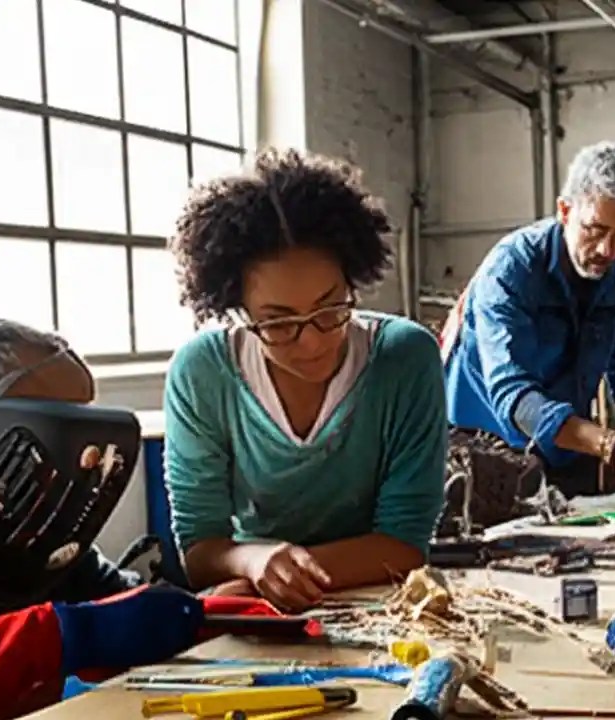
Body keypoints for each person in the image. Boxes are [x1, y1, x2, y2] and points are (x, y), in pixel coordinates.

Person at [0, 317, 275, 719]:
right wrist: (64, 636)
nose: (85, 461)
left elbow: (125, 613)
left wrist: (203, 610)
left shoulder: (37, 546)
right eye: (52, 434)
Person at [164, 148, 447, 611]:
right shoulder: (202, 374)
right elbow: (200, 551)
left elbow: (404, 543)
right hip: (255, 609)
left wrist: (273, 574)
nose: (312, 343)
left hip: (378, 605)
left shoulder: (404, 358)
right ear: (238, 311)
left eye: (331, 309)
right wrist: (253, 561)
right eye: (278, 323)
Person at [441, 141, 615, 502]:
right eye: (594, 229)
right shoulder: (511, 269)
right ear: (565, 210)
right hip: (478, 452)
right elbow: (516, 397)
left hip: (566, 444)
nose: (607, 250)